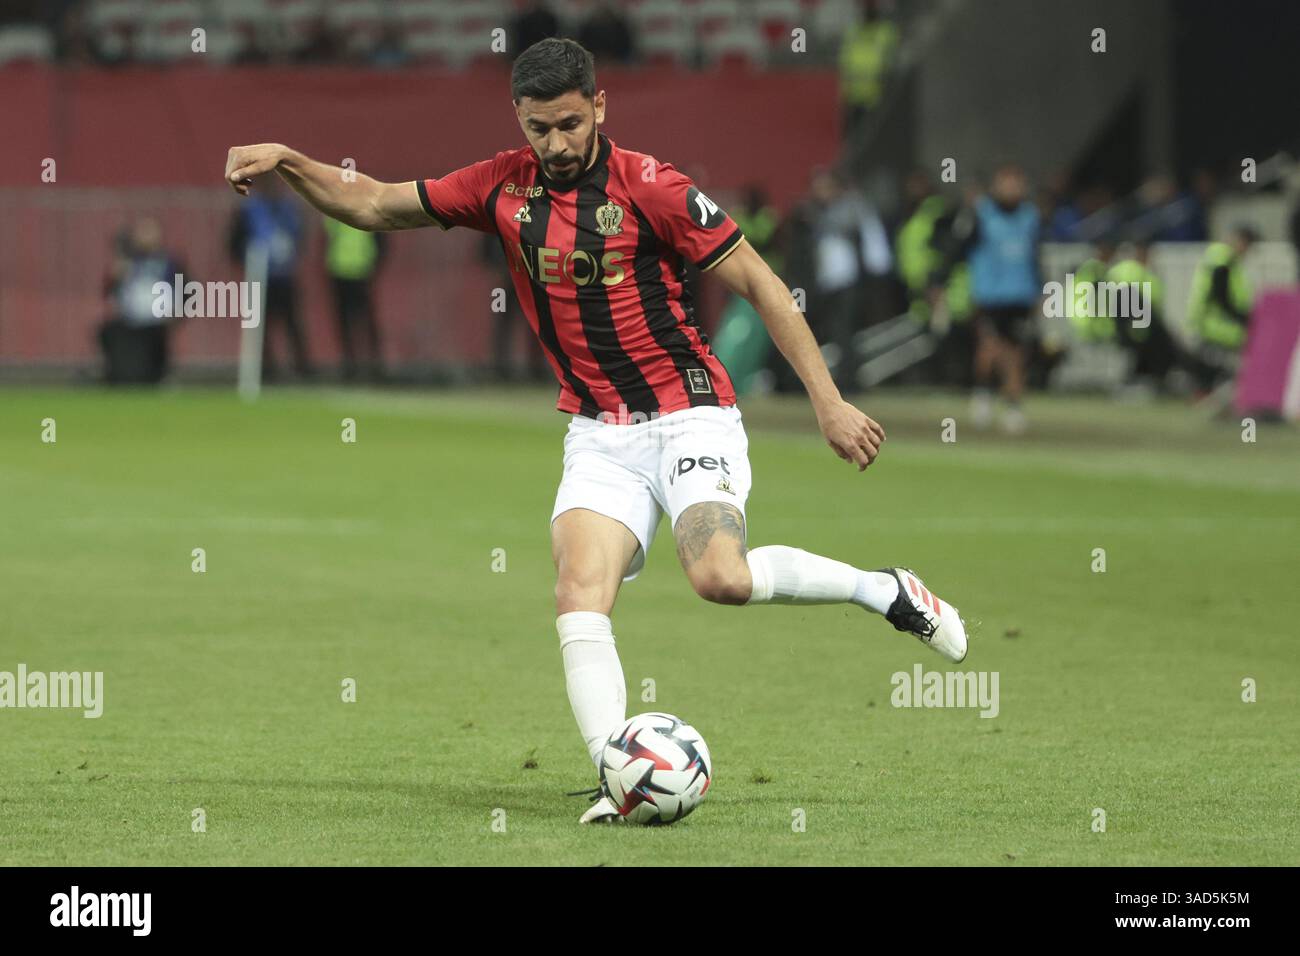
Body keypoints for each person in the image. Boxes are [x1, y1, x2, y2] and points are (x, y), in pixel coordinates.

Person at [222, 37, 967, 825]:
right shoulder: (499, 187)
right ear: (520, 118)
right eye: (540, 128)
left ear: (600, 107)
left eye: (571, 123)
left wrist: (828, 401)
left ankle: (882, 590)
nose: (557, 144)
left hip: (689, 414)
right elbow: (370, 204)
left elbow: (761, 282)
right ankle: (617, 777)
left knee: (720, 579)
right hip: (597, 435)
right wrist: (290, 159)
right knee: (579, 594)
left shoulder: (654, 188)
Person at [963, 165, 1041, 433]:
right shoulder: (981, 214)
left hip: (1020, 294)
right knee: (990, 348)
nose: (1011, 189)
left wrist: (1041, 291)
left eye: (1016, 183)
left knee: (1016, 354)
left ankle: (1013, 406)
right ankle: (983, 396)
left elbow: (1035, 256)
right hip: (990, 295)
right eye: (1006, 183)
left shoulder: (1030, 217)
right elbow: (962, 249)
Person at [228, 173, 313, 379]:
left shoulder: (289, 209)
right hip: (259, 277)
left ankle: (302, 368)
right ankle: (266, 370)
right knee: (261, 326)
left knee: (292, 322)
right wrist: (247, 259)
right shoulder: (249, 210)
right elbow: (234, 241)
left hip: (284, 275)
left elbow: (299, 236)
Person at [98, 218, 182, 384]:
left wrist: (178, 310)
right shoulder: (127, 262)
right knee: (107, 332)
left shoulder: (169, 262)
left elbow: (185, 288)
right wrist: (115, 277)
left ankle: (158, 376)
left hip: (158, 320)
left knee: (156, 348)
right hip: (129, 320)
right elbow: (109, 292)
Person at [1186, 225, 1256, 390]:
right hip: (1216, 324)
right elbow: (1221, 296)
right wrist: (1243, 318)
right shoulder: (1223, 258)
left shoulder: (1219, 257)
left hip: (1210, 321)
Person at [323, 217, 386, 381]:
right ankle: (351, 363)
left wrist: (374, 264)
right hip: (339, 270)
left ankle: (373, 362)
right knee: (345, 321)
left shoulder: (360, 206)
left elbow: (381, 241)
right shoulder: (337, 211)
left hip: (361, 271)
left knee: (364, 320)